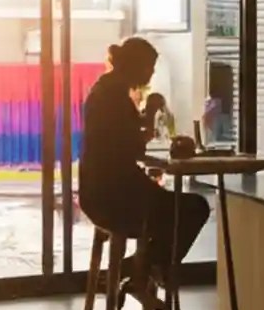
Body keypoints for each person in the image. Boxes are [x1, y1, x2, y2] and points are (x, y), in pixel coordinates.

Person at [79, 37, 211, 280]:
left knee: (172, 212)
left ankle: (141, 271)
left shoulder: (105, 90)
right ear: (135, 65)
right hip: (116, 198)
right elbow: (130, 147)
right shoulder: (114, 97)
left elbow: (119, 137)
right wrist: (149, 116)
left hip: (99, 192)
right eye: (149, 67)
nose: (151, 73)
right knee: (194, 208)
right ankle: (141, 270)